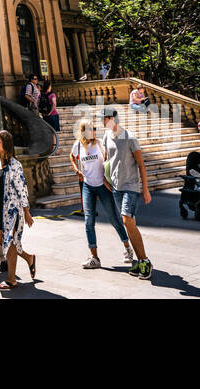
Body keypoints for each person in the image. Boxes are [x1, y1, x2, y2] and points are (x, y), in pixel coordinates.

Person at [70, 117, 132, 269]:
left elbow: (109, 159)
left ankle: (128, 248)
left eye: (95, 128)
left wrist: (108, 177)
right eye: (91, 129)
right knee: (88, 221)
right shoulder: (78, 145)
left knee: (114, 218)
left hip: (103, 186)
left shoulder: (99, 144)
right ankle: (94, 258)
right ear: (84, 131)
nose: (94, 131)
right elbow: (71, 156)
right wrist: (76, 170)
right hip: (87, 186)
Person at [102, 107, 153, 279]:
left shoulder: (130, 138)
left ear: (113, 119)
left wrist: (145, 189)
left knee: (126, 219)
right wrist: (104, 178)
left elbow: (141, 164)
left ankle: (145, 261)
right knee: (129, 225)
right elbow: (107, 160)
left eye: (105, 118)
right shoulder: (106, 137)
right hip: (116, 187)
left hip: (131, 186)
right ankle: (139, 261)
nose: (103, 121)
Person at [0, 129, 35, 290]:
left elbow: (22, 190)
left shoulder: (15, 165)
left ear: (6, 144)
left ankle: (11, 280)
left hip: (11, 209)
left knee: (10, 241)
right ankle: (29, 258)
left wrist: (27, 213)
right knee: (2, 241)